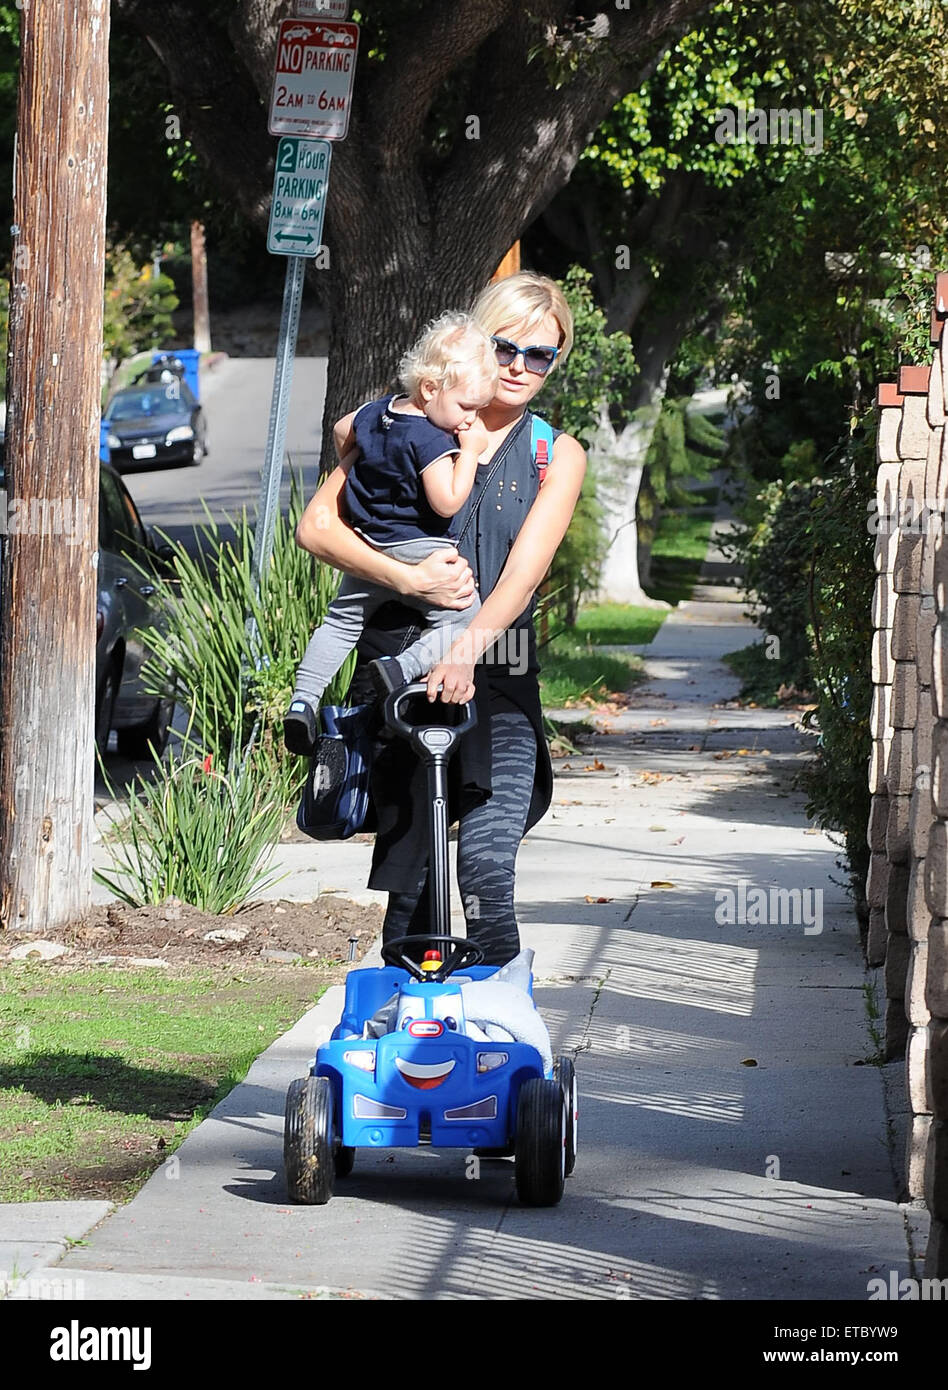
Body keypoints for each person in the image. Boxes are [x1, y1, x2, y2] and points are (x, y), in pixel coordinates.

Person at [296, 271, 587, 966]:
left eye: (540, 355)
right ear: (475, 346)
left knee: (487, 868)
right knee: (414, 882)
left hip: (500, 674)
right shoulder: (405, 425)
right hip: (403, 672)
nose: (519, 367)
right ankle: (412, 1047)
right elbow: (316, 528)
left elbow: (523, 575)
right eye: (506, 347)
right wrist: (405, 576)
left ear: (556, 361)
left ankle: (498, 1033)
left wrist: (464, 654)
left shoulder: (555, 454)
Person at [283, 311, 498, 755]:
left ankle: (303, 700)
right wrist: (471, 453)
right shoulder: (432, 440)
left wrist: (367, 463)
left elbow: (343, 428)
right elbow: (447, 501)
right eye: (466, 407)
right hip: (421, 547)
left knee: (341, 621)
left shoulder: (380, 412)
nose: (469, 419)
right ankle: (401, 669)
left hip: (367, 543)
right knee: (464, 617)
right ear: (430, 389)